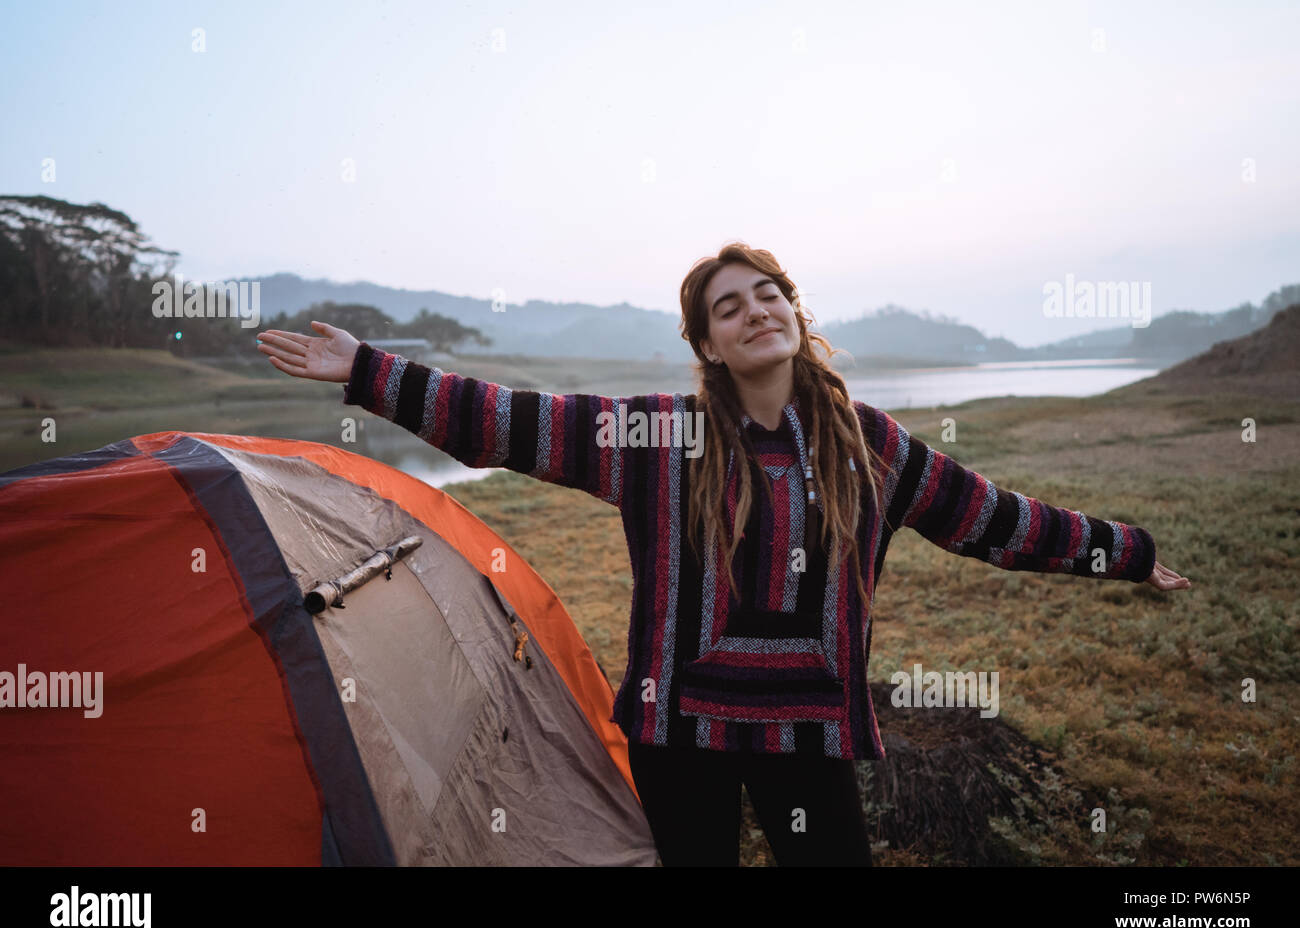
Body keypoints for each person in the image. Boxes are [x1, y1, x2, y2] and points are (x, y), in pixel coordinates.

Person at [255, 241, 1191, 867]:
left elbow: (996, 519)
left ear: (795, 311)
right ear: (706, 340)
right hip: (678, 736)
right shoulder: (665, 440)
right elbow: (514, 423)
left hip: (809, 736)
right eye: (728, 307)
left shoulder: (874, 448)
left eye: (769, 295)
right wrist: (373, 371)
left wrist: (1126, 552)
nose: (755, 313)